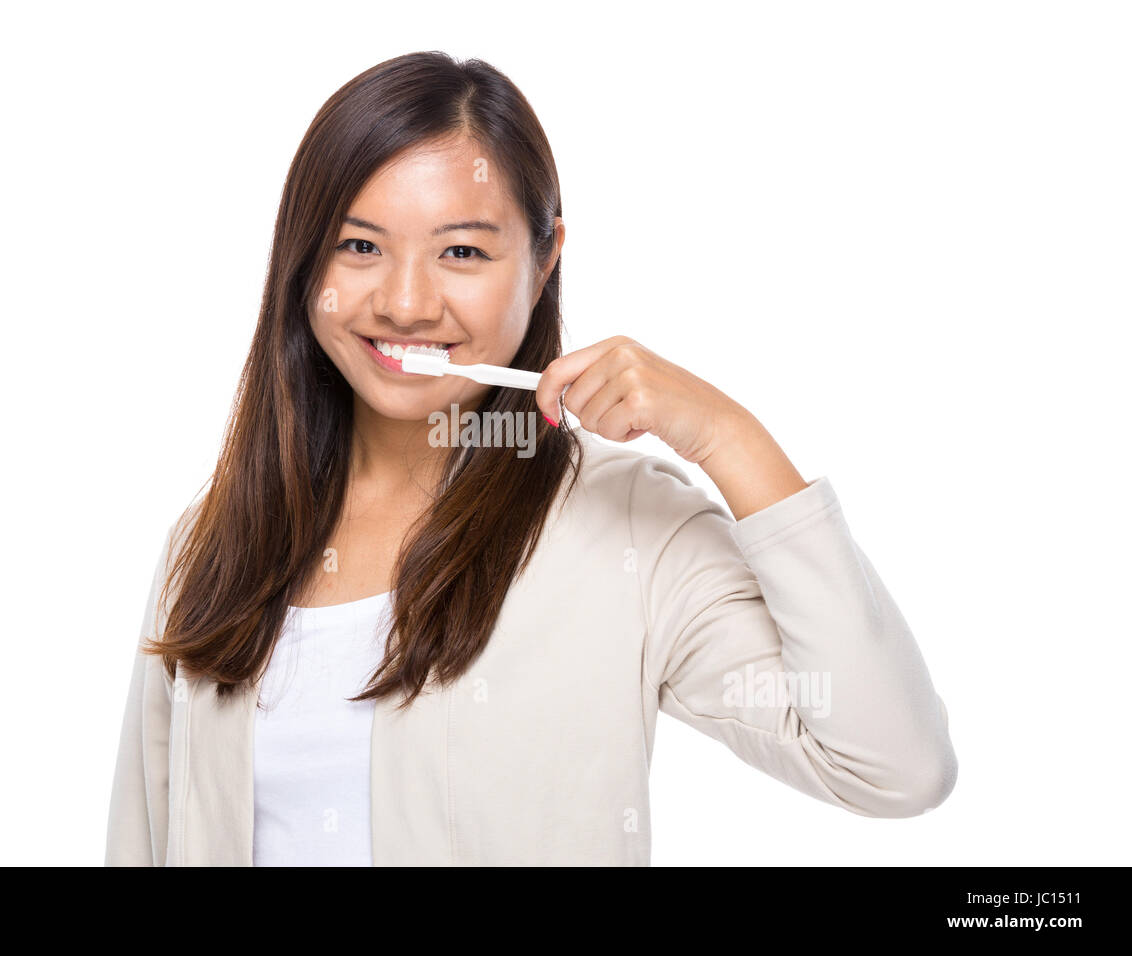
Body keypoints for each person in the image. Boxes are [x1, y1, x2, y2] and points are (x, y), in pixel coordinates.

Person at [105, 50, 957, 867]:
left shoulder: (629, 529)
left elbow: (894, 765)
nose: (404, 303)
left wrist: (728, 436)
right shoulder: (207, 542)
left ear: (545, 258)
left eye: (462, 252)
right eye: (360, 246)